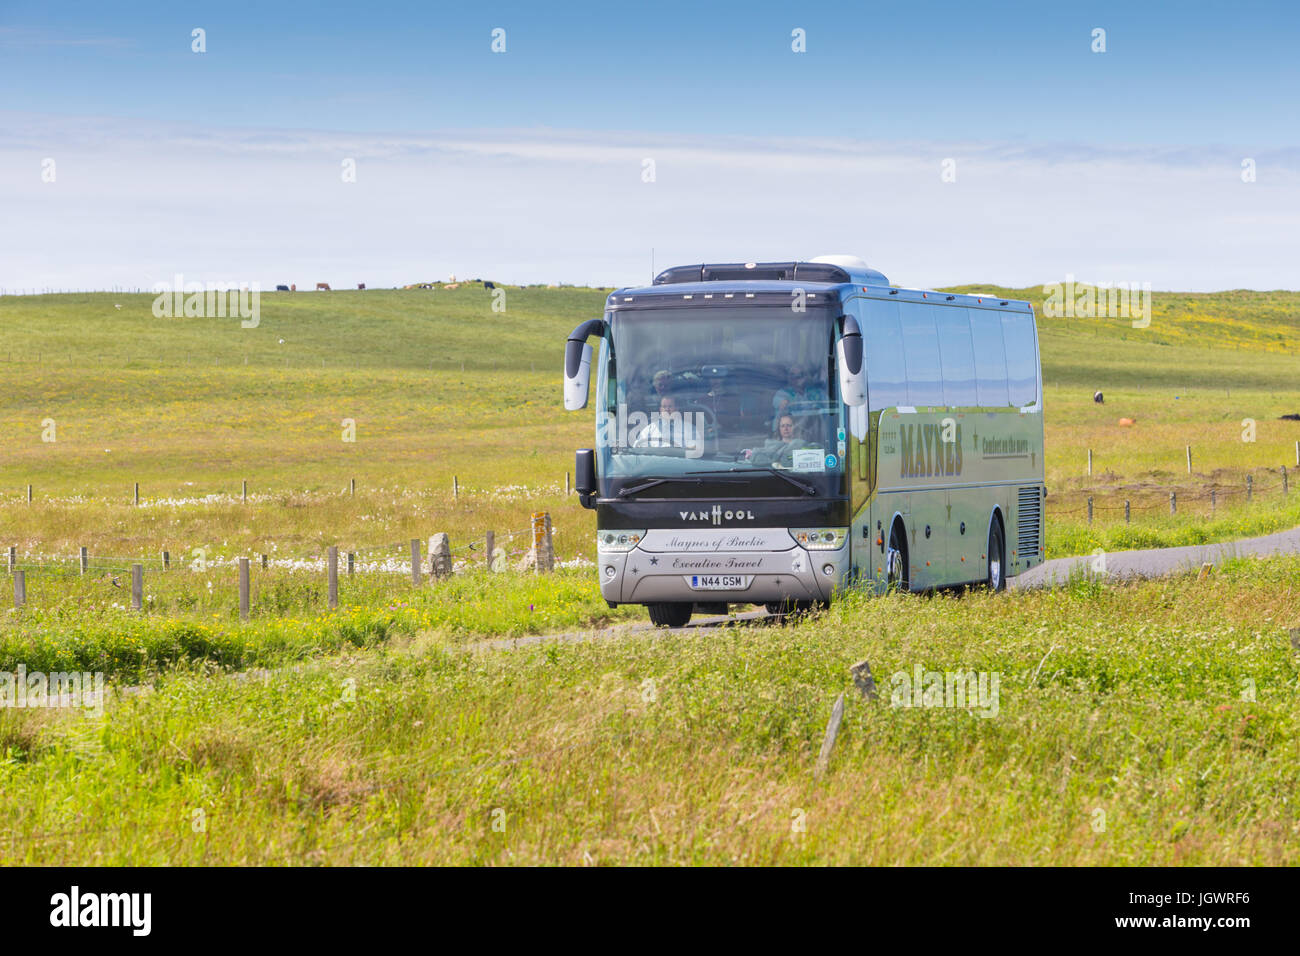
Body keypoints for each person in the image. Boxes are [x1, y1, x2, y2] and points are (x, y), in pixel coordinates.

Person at [740, 414, 817, 467]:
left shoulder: (802, 445)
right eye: (782, 426)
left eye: (789, 425)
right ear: (779, 428)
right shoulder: (770, 446)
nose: (786, 429)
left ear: (795, 427)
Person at [771, 364, 827, 432]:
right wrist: (783, 403)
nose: (795, 378)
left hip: (816, 432)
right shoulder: (782, 393)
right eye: (792, 375)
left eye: (800, 375)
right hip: (790, 433)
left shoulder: (817, 393)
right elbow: (780, 405)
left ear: (806, 376)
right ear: (788, 377)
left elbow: (830, 406)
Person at [632, 394, 699, 448]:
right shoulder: (649, 429)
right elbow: (637, 448)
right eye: (664, 407)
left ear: (677, 408)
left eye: (670, 406)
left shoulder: (689, 428)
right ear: (660, 409)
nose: (667, 409)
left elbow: (695, 450)